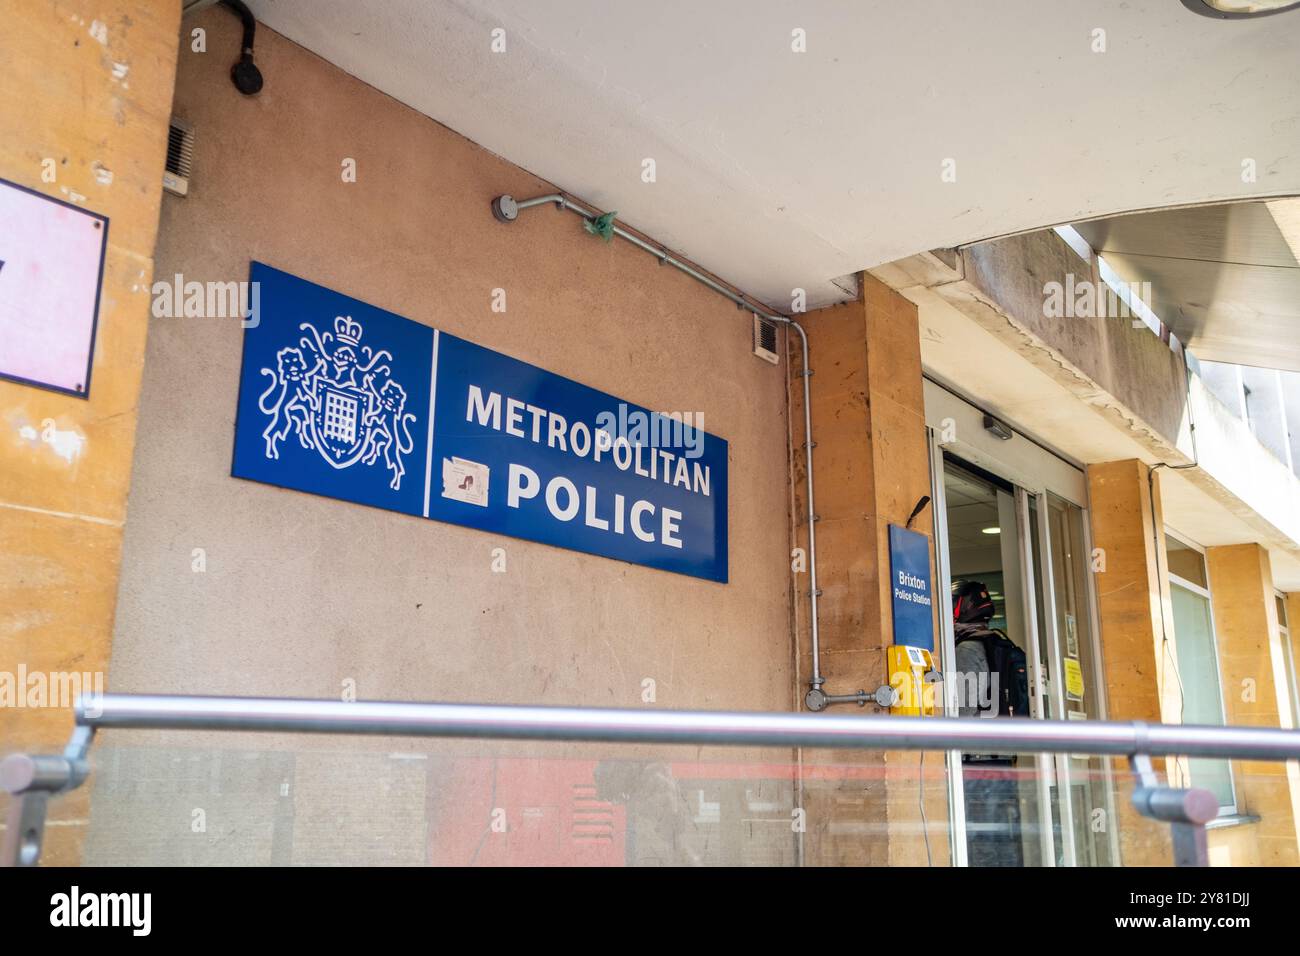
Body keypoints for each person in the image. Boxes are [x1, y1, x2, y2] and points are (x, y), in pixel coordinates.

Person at [951, 579, 1026, 866]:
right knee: (1002, 836)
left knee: (980, 839)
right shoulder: (1000, 642)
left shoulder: (966, 651)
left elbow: (963, 713)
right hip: (1002, 760)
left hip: (978, 764)